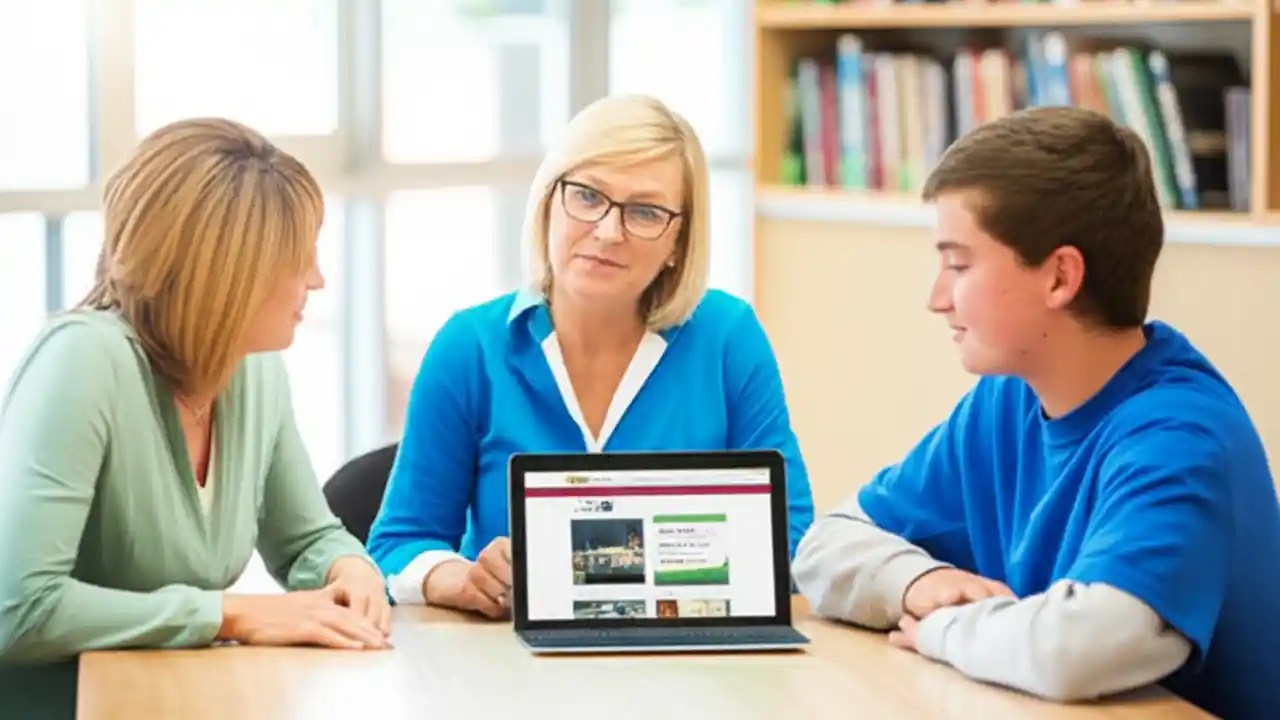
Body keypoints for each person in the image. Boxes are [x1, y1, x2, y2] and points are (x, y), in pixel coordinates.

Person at [792, 106, 1280, 719]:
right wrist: (916, 583)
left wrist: (943, 629)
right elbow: (824, 548)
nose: (936, 298)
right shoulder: (1007, 401)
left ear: (1059, 278)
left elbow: (1078, 649)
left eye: (959, 264)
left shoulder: (1181, 436)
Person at [367, 94, 814, 618]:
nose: (607, 231)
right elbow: (399, 542)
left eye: (645, 212)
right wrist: (458, 580)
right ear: (548, 201)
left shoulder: (728, 338)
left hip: (686, 649)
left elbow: (790, 535)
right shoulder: (470, 347)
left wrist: (625, 573)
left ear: (678, 242)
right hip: (506, 653)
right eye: (586, 196)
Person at [0, 118, 392, 675]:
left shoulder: (256, 371)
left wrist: (348, 567)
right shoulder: (83, 359)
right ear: (229, 271)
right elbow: (20, 608)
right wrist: (228, 614)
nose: (318, 279)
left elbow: (305, 539)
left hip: (173, 694)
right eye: (299, 259)